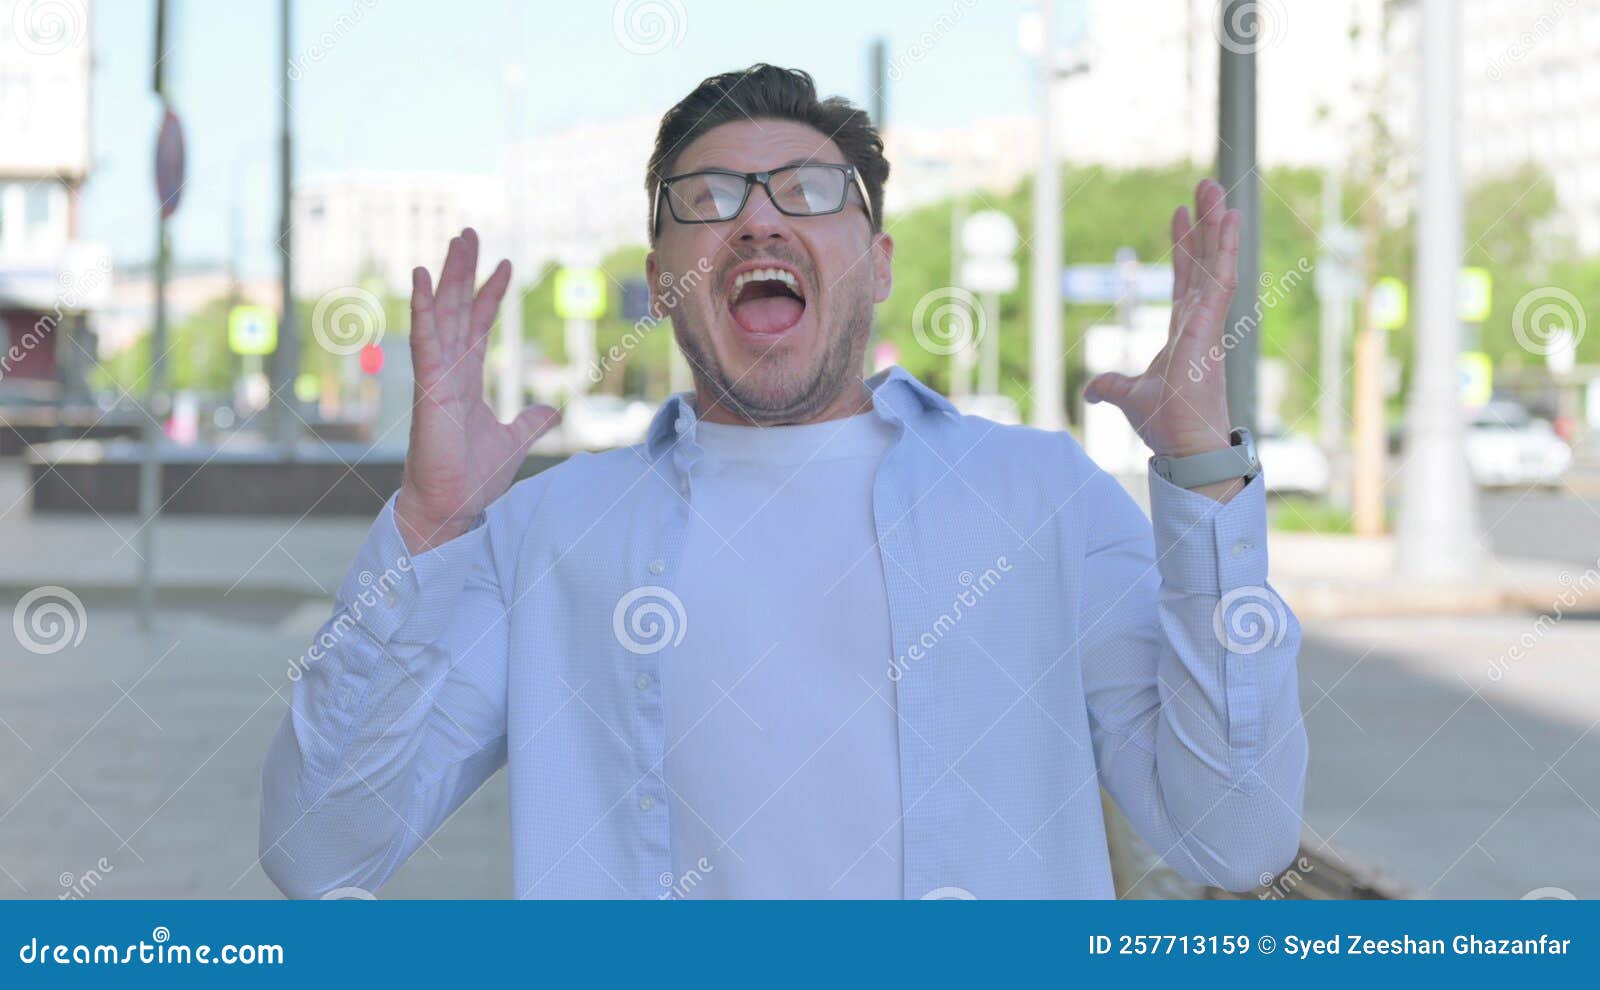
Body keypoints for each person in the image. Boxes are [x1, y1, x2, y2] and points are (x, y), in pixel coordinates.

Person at [260, 63, 1305, 900]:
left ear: (881, 260)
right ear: (663, 276)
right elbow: (319, 852)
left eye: (808, 193)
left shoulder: (1040, 498)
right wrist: (429, 531)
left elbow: (1235, 835)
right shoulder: (551, 529)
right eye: (708, 199)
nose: (759, 222)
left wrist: (1203, 477)